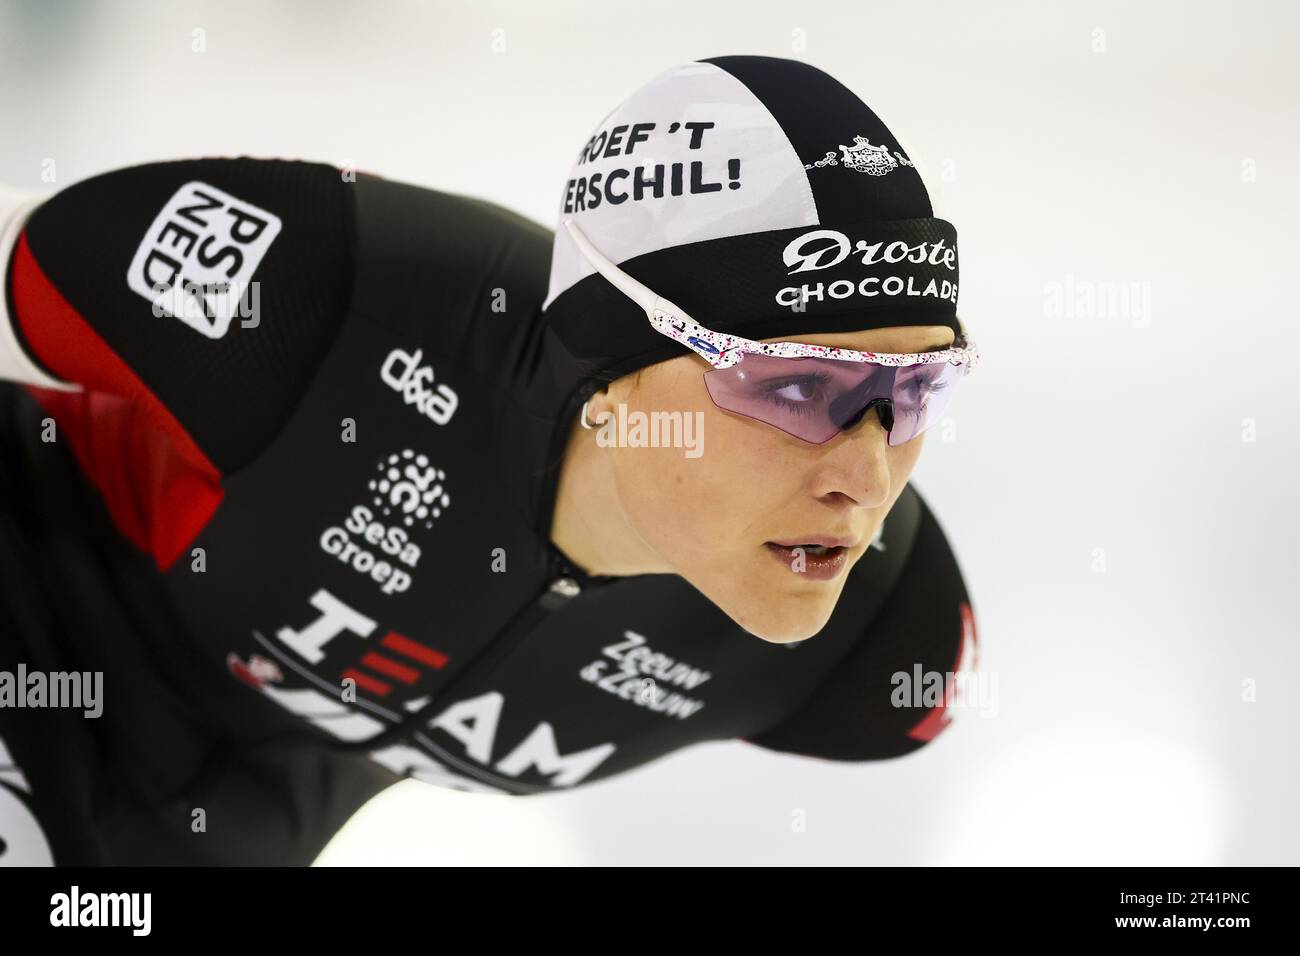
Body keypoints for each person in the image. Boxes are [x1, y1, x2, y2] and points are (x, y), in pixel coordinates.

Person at [0, 54, 980, 866]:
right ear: (609, 363)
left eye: (912, 393)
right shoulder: (322, 303)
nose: (866, 479)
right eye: (798, 386)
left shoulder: (882, 643)